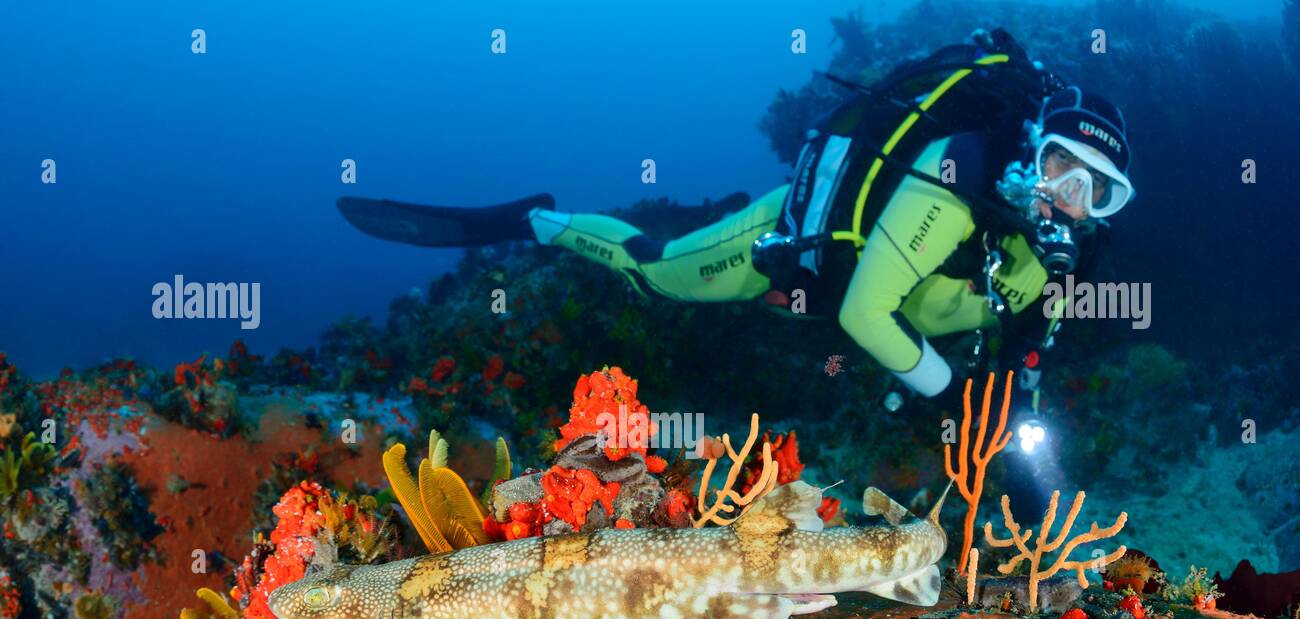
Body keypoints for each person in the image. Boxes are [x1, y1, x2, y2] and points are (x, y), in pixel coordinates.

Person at [339, 29, 1133, 427]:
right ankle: (535, 220)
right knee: (656, 273)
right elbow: (862, 314)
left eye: (1097, 191)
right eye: (1061, 169)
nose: (1070, 200)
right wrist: (952, 393)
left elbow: (1026, 346)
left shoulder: (1069, 257)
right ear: (1032, 153)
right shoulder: (951, 187)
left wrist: (1017, 426)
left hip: (895, 312)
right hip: (794, 252)